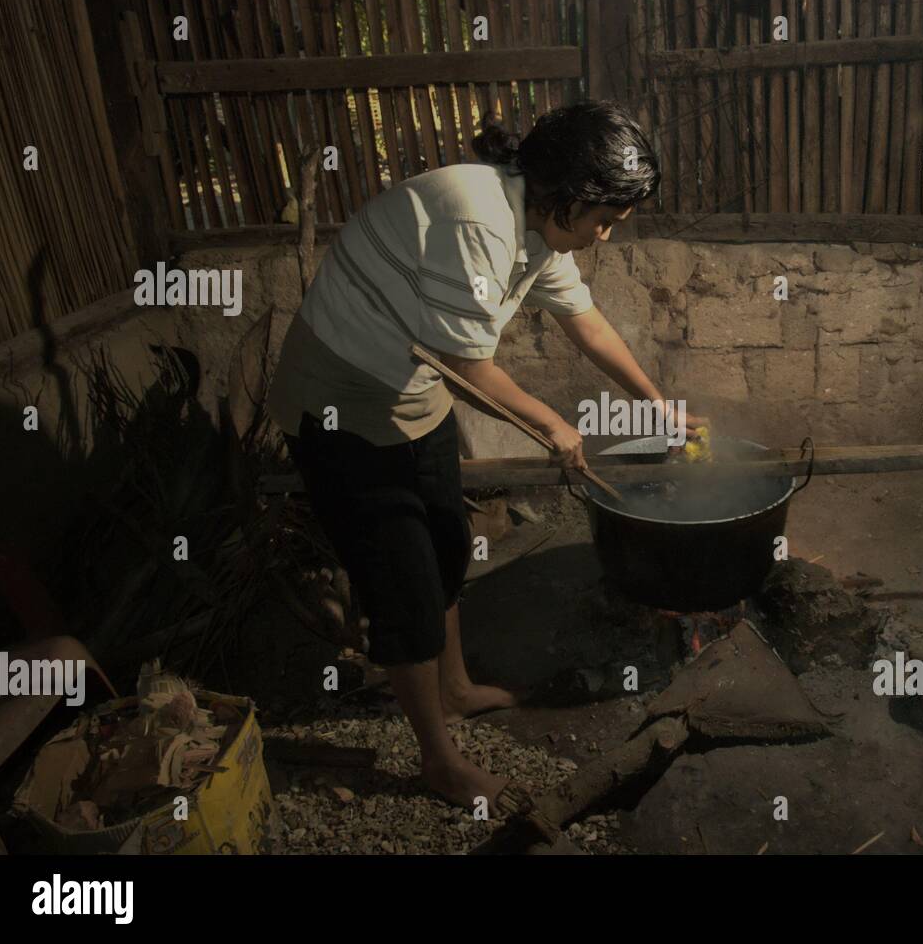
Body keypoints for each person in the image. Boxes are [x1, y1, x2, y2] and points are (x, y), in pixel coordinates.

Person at [266, 101, 706, 811]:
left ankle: (458, 688)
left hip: (411, 393)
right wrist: (555, 428)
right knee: (401, 578)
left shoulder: (541, 231)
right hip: (341, 402)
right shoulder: (479, 218)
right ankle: (439, 760)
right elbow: (466, 364)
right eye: (602, 219)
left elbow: (586, 325)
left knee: (447, 543)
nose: (602, 236)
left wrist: (653, 400)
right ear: (567, 192)